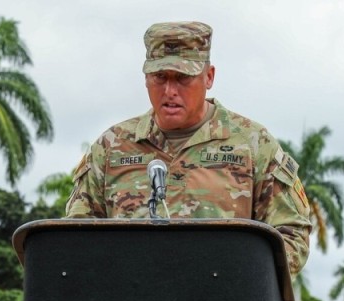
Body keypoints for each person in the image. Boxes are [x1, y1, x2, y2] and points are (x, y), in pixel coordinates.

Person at [65, 21, 313, 276]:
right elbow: (75, 237)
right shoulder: (111, 146)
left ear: (209, 77)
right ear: (146, 78)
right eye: (160, 77)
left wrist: (238, 278)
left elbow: (291, 235)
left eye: (183, 78)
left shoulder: (253, 144)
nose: (170, 91)